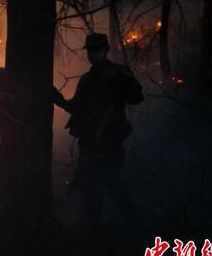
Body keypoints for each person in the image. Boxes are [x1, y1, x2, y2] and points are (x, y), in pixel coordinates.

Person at [51, 33, 144, 230]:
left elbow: (136, 97)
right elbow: (75, 107)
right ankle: (95, 228)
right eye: (90, 50)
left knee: (110, 181)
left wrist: (120, 84)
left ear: (105, 49)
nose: (92, 54)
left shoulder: (118, 73)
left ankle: (134, 223)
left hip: (109, 138)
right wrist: (56, 98)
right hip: (89, 140)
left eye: (96, 49)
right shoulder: (87, 79)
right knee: (90, 186)